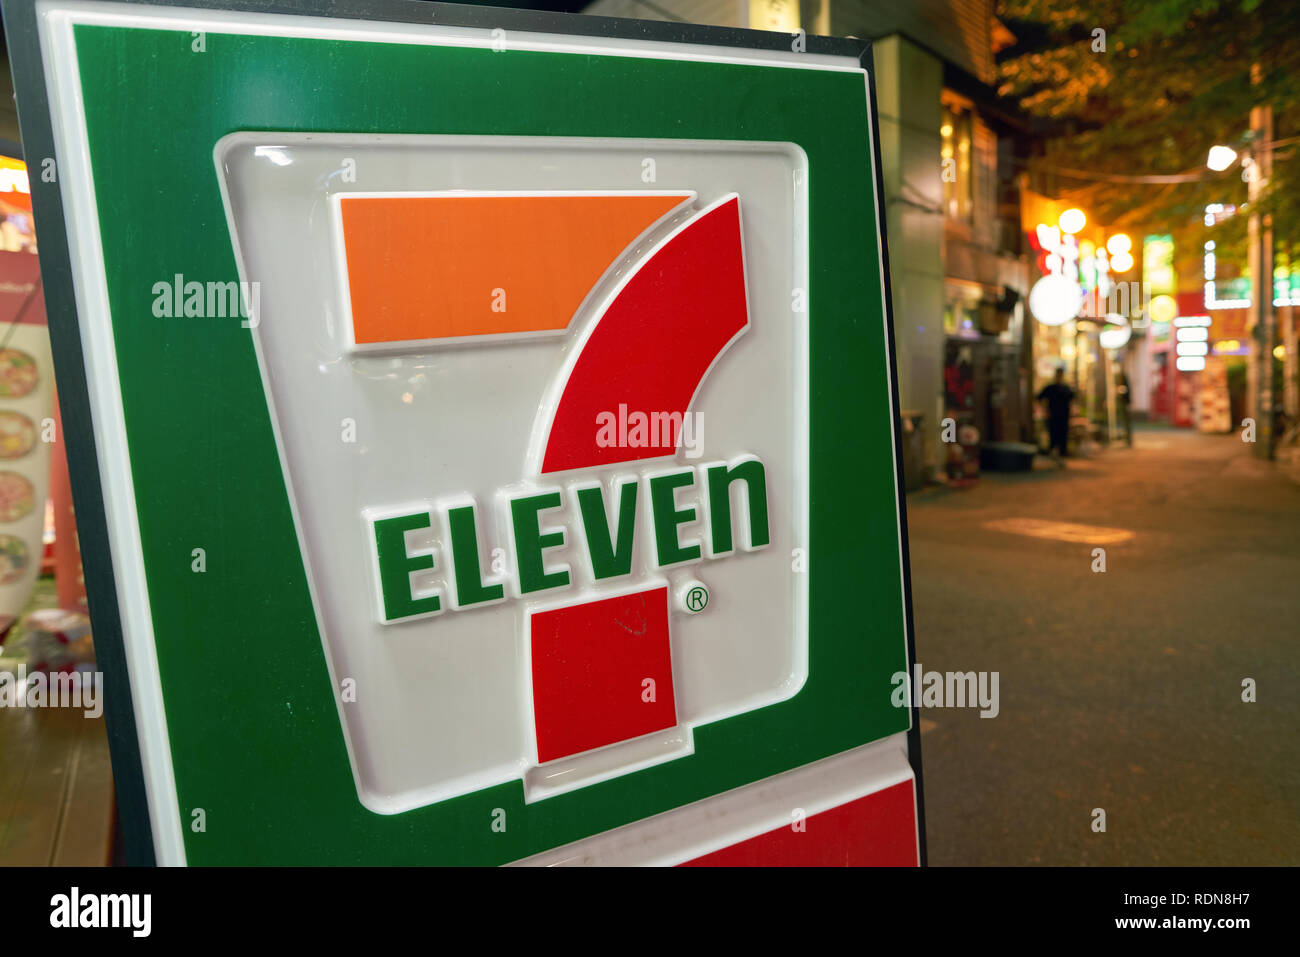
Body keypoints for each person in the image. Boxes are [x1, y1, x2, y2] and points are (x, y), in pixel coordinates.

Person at [1037, 367, 1075, 467]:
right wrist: (1045, 409)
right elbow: (1039, 398)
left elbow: (1072, 400)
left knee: (1062, 436)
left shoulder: (1066, 388)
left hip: (1063, 416)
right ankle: (1054, 455)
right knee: (1054, 435)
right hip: (1053, 415)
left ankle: (1061, 457)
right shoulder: (1051, 387)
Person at [1115, 368, 1133, 447]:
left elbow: (1124, 390)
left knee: (1126, 421)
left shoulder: (1122, 378)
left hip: (1124, 402)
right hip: (1124, 402)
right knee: (1124, 422)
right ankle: (1126, 438)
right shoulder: (1122, 377)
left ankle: (1127, 439)